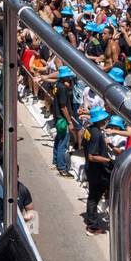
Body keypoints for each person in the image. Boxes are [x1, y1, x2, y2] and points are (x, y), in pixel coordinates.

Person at [82, 106, 114, 234]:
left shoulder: (89, 130)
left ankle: (92, 222)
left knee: (93, 197)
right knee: (94, 198)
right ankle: (93, 226)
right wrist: (109, 161)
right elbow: (92, 156)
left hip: (92, 170)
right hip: (97, 172)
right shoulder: (96, 134)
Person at [51, 66, 77, 175]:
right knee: (63, 143)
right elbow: (63, 107)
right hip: (62, 119)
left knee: (58, 139)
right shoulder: (63, 88)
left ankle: (56, 160)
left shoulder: (57, 84)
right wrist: (69, 121)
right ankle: (62, 167)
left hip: (57, 117)